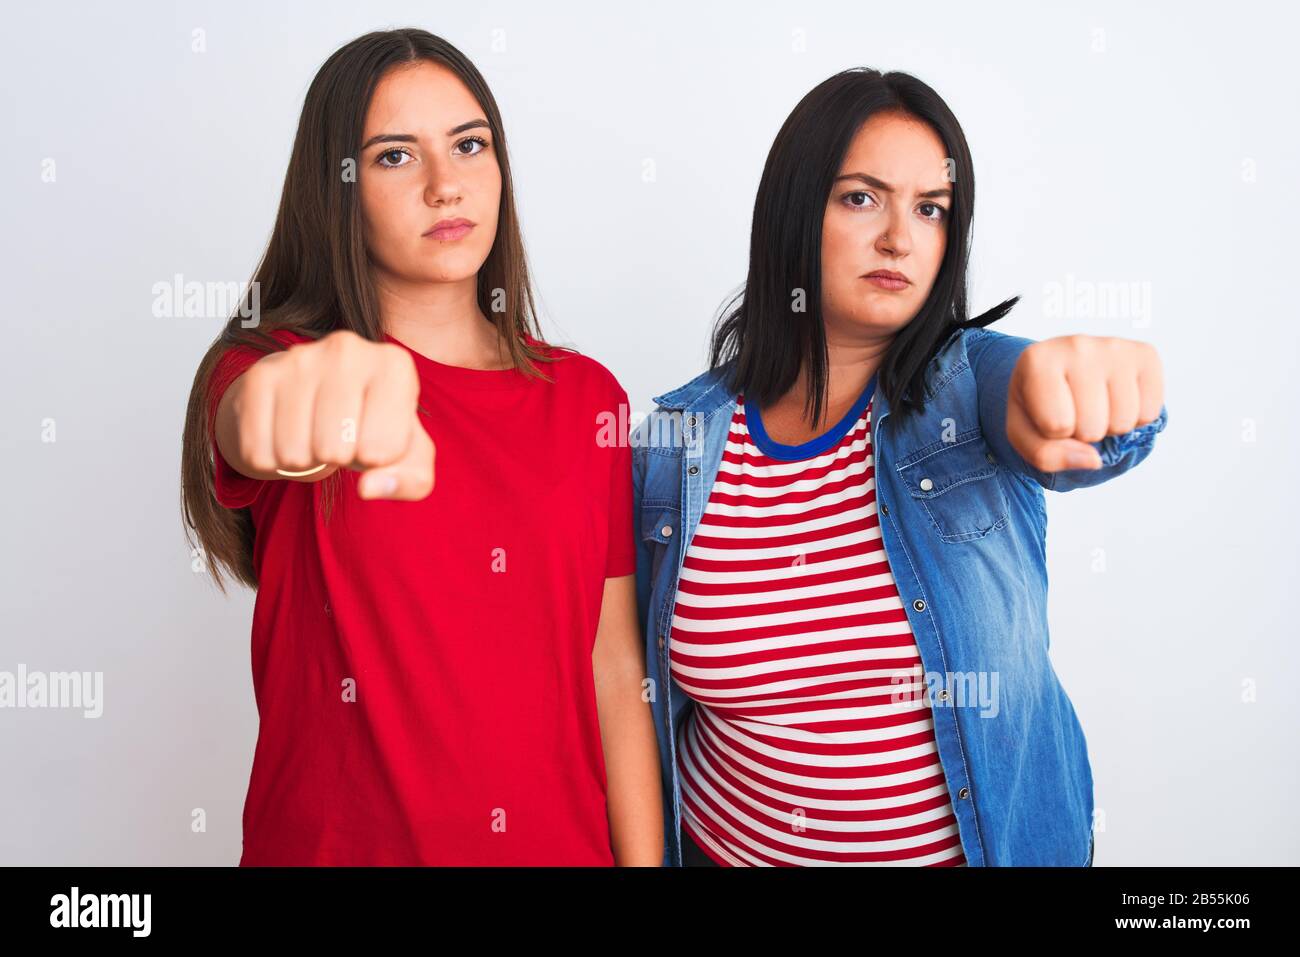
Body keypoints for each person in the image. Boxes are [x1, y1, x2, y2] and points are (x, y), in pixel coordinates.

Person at [632, 68, 1164, 867]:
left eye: (931, 210)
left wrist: (1096, 404)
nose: (900, 239)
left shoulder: (967, 390)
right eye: (861, 198)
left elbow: (1033, 397)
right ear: (792, 211)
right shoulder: (677, 441)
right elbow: (630, 692)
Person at [180, 28, 662, 866]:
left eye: (469, 145)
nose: (447, 185)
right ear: (336, 189)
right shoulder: (272, 365)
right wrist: (288, 405)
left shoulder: (589, 398)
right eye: (395, 157)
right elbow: (254, 422)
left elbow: (614, 670)